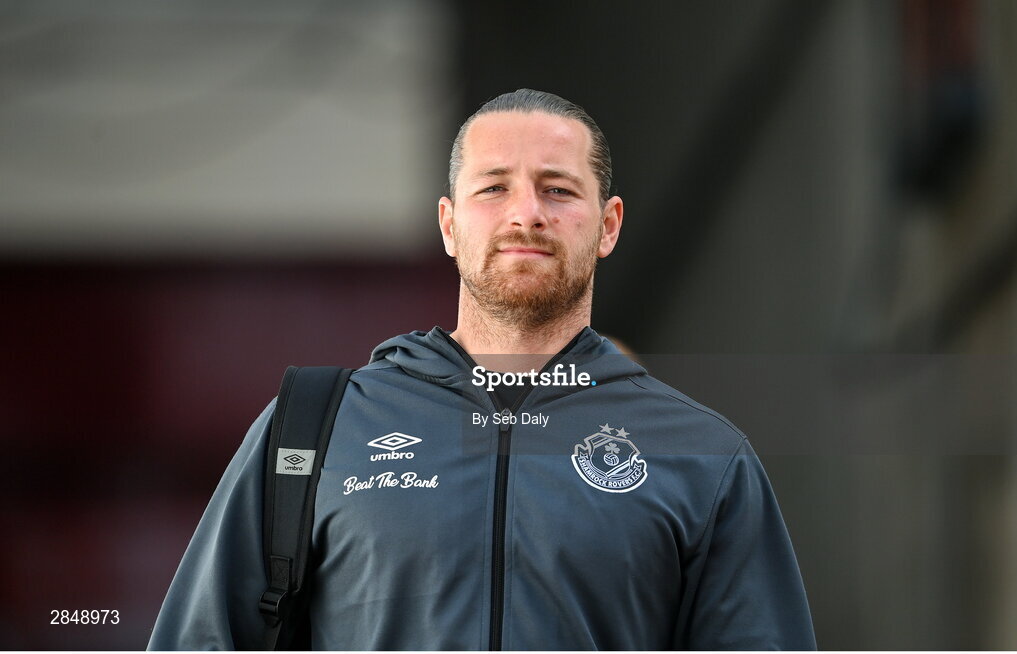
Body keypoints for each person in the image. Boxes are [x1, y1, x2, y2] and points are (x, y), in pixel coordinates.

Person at [149, 88, 816, 650]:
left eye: (558, 189)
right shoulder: (309, 432)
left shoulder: (703, 456)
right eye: (494, 188)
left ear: (608, 226)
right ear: (448, 223)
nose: (526, 213)